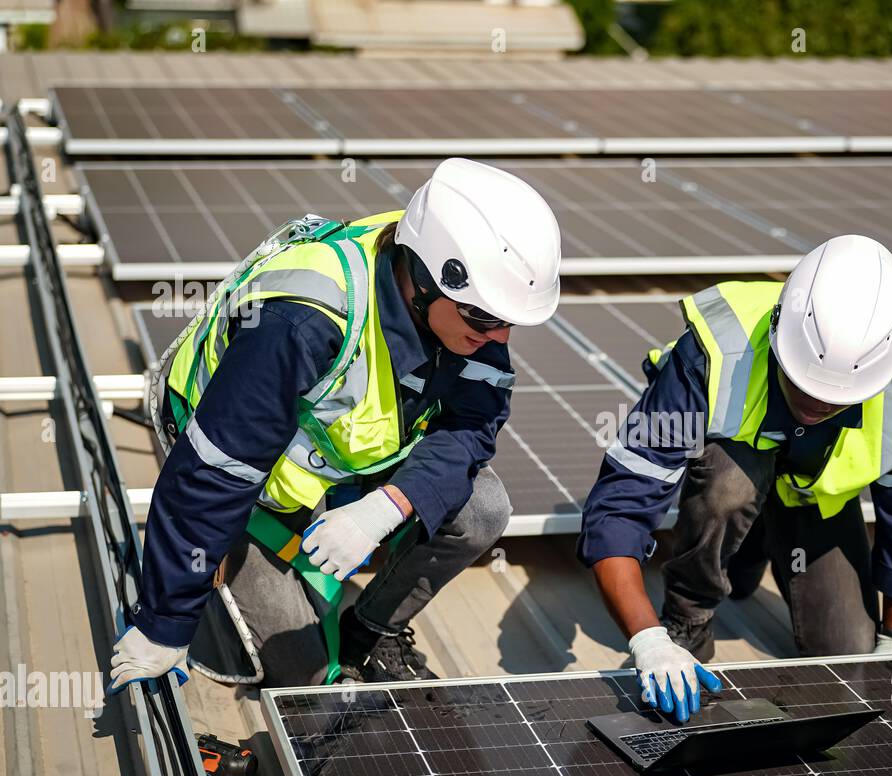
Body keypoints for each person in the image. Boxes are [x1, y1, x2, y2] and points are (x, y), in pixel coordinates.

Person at [109, 158, 562, 691]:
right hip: (240, 475)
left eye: (510, 321)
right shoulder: (301, 321)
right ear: (423, 278)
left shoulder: (475, 317)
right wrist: (164, 624)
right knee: (303, 676)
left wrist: (385, 508)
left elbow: (470, 431)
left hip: (340, 463)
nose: (501, 339)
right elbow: (215, 470)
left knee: (483, 509)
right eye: (485, 318)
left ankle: (372, 630)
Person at [579, 235, 892, 722]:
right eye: (803, 382)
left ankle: (753, 543)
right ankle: (687, 621)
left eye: (836, 398)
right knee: (730, 487)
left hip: (809, 500)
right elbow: (621, 504)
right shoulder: (713, 352)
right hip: (732, 481)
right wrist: (649, 642)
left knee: (847, 651)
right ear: (779, 336)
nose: (817, 404)